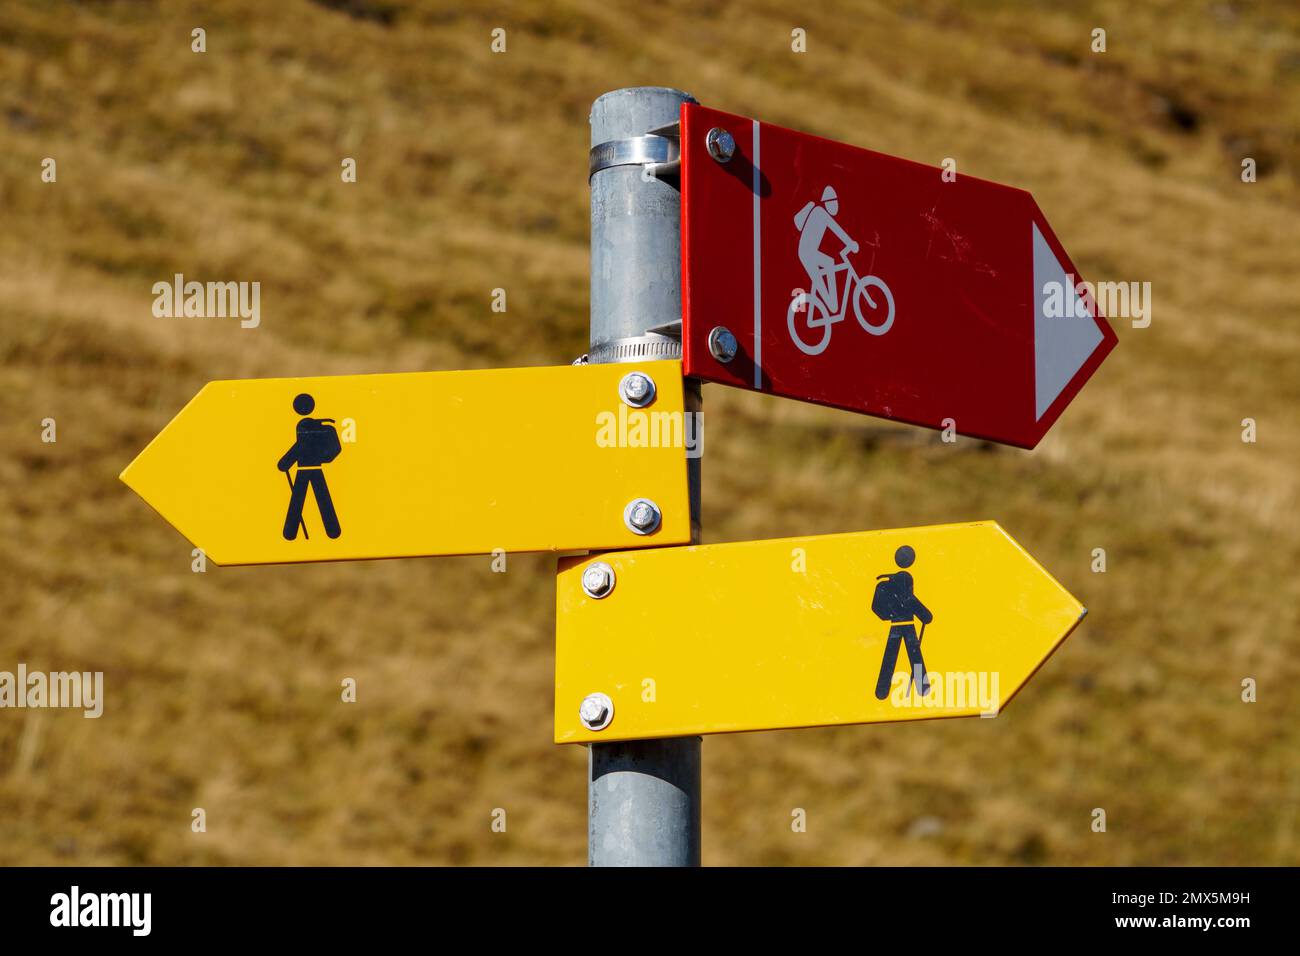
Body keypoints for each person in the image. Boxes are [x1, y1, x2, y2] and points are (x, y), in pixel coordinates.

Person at [277, 393, 342, 540]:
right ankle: (332, 531)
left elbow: (299, 447)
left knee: (300, 500)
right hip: (313, 470)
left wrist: (284, 463)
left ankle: (291, 533)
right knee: (318, 499)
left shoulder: (305, 428)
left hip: (304, 470)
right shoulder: (312, 427)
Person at [872, 545, 933, 700]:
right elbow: (911, 601)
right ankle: (922, 688)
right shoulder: (904, 580)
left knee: (891, 656)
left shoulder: (891, 582)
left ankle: (882, 691)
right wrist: (925, 615)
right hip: (907, 626)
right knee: (915, 656)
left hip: (895, 627)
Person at [794, 185, 859, 314]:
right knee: (827, 266)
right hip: (806, 253)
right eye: (834, 202)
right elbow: (837, 230)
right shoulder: (820, 212)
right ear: (828, 202)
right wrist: (850, 243)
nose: (836, 206)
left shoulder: (820, 212)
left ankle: (831, 302)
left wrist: (849, 243)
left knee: (829, 262)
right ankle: (831, 304)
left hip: (810, 252)